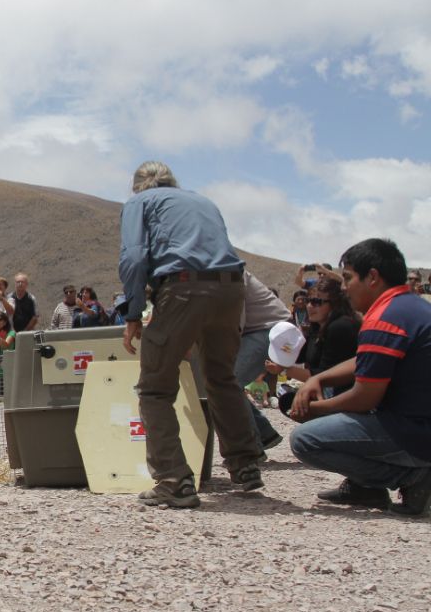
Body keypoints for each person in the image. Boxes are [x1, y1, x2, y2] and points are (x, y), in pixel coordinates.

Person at [119, 160, 264, 508]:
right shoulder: (202, 201)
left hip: (183, 288)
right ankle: (245, 465)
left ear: (138, 186)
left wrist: (133, 313)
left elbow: (135, 258)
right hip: (231, 289)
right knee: (221, 377)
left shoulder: (138, 204)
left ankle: (173, 480)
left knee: (155, 387)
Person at [289, 238, 431, 515]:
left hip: (416, 431)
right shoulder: (409, 307)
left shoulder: (385, 318)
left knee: (305, 440)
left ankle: (413, 478)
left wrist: (312, 409)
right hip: (420, 422)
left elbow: (364, 398)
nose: (343, 288)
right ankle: (366, 487)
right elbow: (366, 360)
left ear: (373, 277)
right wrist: (319, 379)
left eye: (348, 278)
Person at [266, 277, 360, 415]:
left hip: (342, 399)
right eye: (309, 300)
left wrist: (284, 369)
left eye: (316, 302)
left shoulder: (340, 327)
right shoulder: (317, 327)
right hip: (328, 393)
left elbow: (325, 376)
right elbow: (299, 357)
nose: (309, 306)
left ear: (334, 304)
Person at [234, 271, 290, 450]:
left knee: (227, 384)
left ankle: (251, 447)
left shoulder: (228, 271)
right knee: (225, 384)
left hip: (270, 330)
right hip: (256, 331)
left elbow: (236, 320)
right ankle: (264, 434)